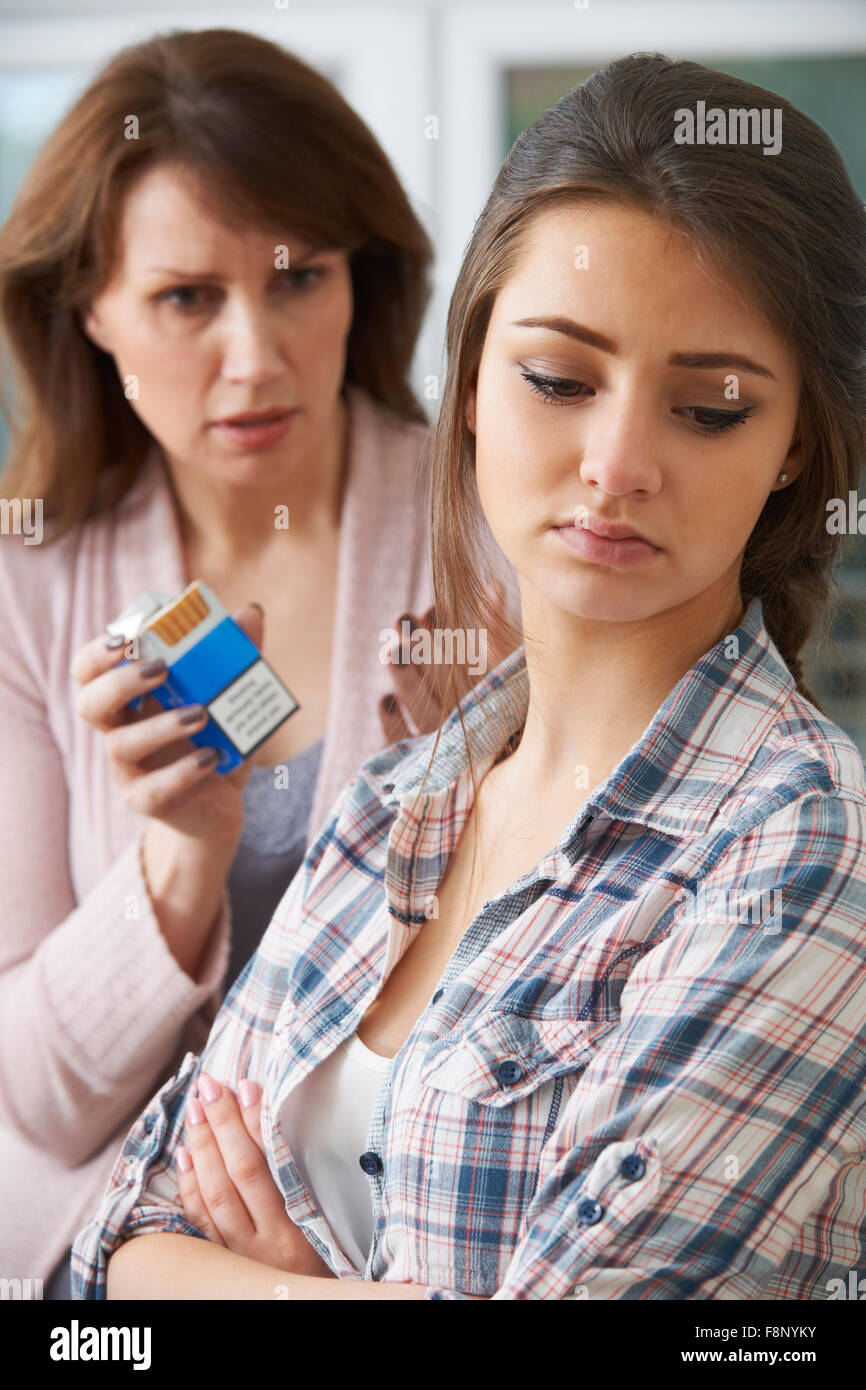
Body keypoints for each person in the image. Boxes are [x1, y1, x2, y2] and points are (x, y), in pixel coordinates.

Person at [72, 51, 866, 1300]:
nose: (612, 465)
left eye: (708, 407)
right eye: (556, 380)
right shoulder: (394, 802)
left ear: (789, 451)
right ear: (475, 388)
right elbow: (111, 1252)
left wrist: (263, 1280)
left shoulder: (803, 843)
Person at [0, 29, 516, 1297]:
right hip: (109, 1263)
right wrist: (180, 857)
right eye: (188, 298)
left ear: (362, 279)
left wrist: (487, 793)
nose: (255, 356)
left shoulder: (499, 537)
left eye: (299, 280)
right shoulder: (28, 587)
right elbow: (36, 1101)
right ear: (93, 312)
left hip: (412, 1232)